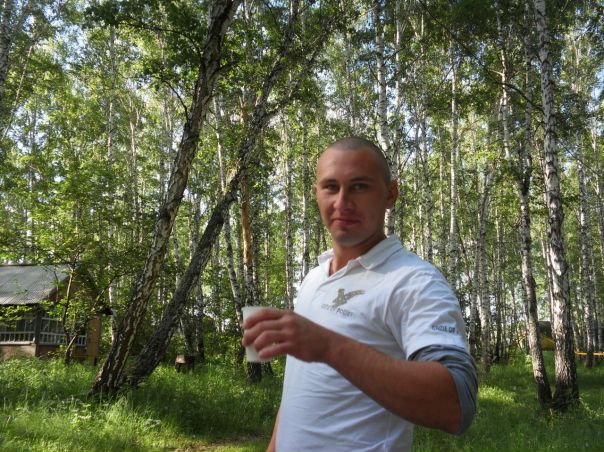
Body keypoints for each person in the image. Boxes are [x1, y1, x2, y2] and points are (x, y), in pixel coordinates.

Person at [242, 137, 477, 452]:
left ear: (390, 194)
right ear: (316, 193)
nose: (342, 202)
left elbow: (456, 404)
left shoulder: (414, 282)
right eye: (331, 187)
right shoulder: (314, 278)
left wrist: (329, 346)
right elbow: (300, 392)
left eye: (359, 187)